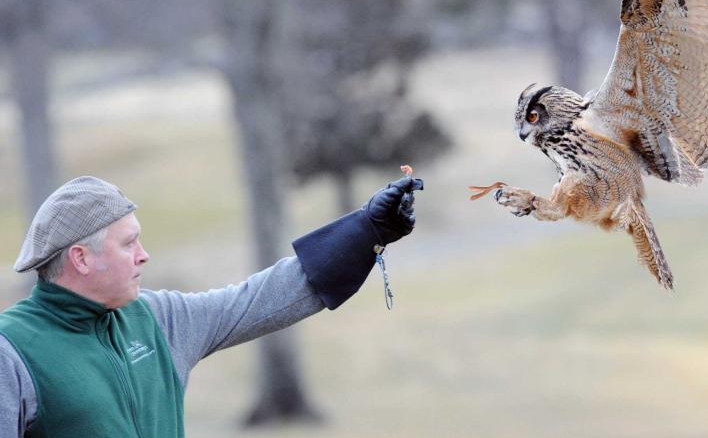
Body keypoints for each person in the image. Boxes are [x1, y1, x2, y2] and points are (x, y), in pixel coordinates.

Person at [0, 174, 422, 437]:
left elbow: (262, 301)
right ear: (81, 258)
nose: (144, 255)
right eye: (129, 244)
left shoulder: (157, 319)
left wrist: (367, 230)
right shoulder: (13, 352)